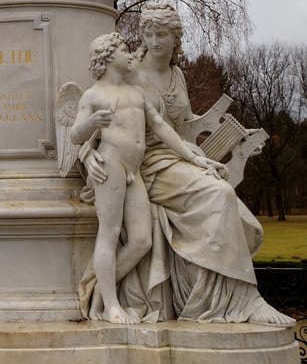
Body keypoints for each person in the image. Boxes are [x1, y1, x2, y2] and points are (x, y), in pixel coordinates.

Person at [80, 2, 294, 325]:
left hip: (176, 154)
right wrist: (86, 153)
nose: (154, 42)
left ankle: (233, 298)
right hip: (147, 165)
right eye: (149, 34)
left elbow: (182, 125)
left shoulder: (177, 75)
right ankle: (242, 300)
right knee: (219, 196)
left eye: (162, 34)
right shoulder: (129, 72)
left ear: (175, 37)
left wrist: (232, 139)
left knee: (220, 189)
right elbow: (98, 118)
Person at [71, 32, 226, 324]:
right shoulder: (93, 95)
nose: (130, 53)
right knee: (110, 232)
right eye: (122, 49)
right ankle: (112, 305)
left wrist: (192, 157)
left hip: (133, 171)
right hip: (111, 167)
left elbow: (162, 128)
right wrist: (93, 122)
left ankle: (99, 293)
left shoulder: (136, 93)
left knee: (141, 240)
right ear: (107, 58)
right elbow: (75, 134)